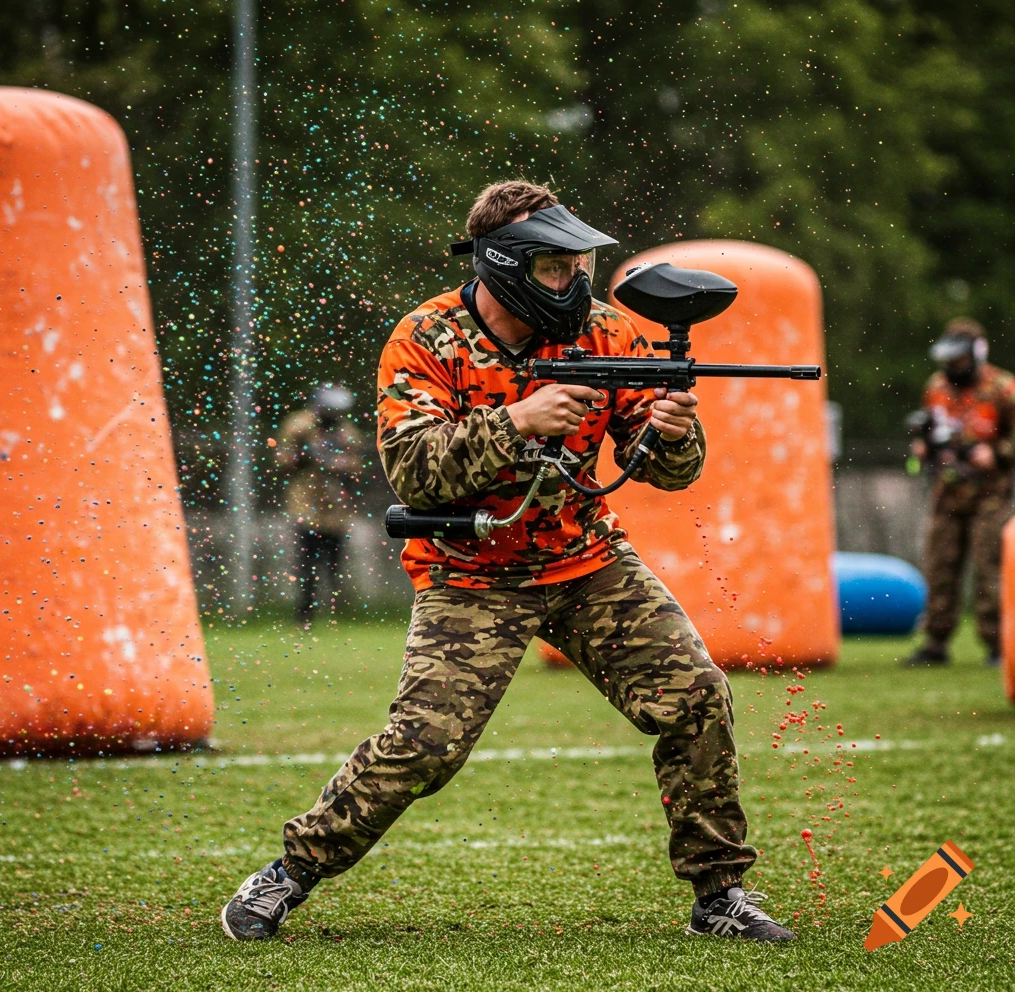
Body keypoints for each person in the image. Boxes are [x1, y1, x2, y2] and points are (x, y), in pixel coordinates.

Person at [222, 181, 795, 942]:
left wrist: (673, 429)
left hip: (587, 558)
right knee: (427, 744)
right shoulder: (428, 337)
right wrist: (515, 420)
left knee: (695, 697)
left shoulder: (607, 333)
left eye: (579, 264)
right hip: (472, 573)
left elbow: (663, 472)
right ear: (503, 263)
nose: (574, 282)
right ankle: (286, 875)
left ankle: (720, 893)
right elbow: (413, 471)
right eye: (556, 267)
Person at [906, 318, 1015, 666]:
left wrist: (995, 453)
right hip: (947, 493)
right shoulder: (936, 387)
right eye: (948, 361)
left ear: (977, 355)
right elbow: (931, 429)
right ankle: (935, 643)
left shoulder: (1003, 389)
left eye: (959, 361)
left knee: (990, 571)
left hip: (991, 496)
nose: (953, 368)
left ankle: (999, 647)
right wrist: (922, 447)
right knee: (940, 567)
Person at [275, 384, 364, 625]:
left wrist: (337, 463)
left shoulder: (347, 432)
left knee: (334, 565)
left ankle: (338, 615)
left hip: (336, 510)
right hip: (305, 504)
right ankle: (304, 615)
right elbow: (282, 459)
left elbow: (356, 466)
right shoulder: (299, 426)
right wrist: (304, 455)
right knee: (306, 565)